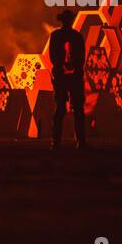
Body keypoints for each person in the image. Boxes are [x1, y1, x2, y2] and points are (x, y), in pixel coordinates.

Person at [49, 8, 86, 149]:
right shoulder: (76, 36)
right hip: (70, 77)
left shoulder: (57, 35)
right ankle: (79, 142)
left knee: (62, 109)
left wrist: (63, 67)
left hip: (65, 77)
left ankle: (56, 142)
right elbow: (81, 56)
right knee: (75, 110)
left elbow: (53, 56)